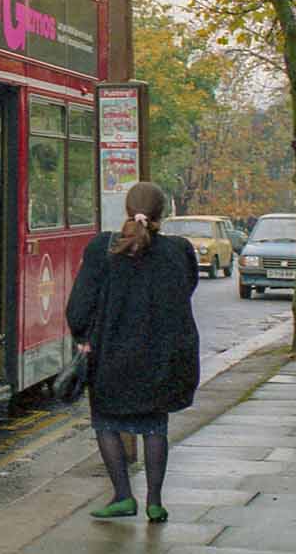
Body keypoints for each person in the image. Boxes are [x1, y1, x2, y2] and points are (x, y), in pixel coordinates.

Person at [66, 181, 198, 523]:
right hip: (160, 357)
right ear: (162, 214)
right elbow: (187, 289)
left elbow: (79, 305)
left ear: (127, 209)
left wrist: (82, 335)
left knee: (106, 423)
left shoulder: (103, 248)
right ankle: (155, 502)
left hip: (112, 357)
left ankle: (123, 496)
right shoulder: (178, 250)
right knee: (156, 426)